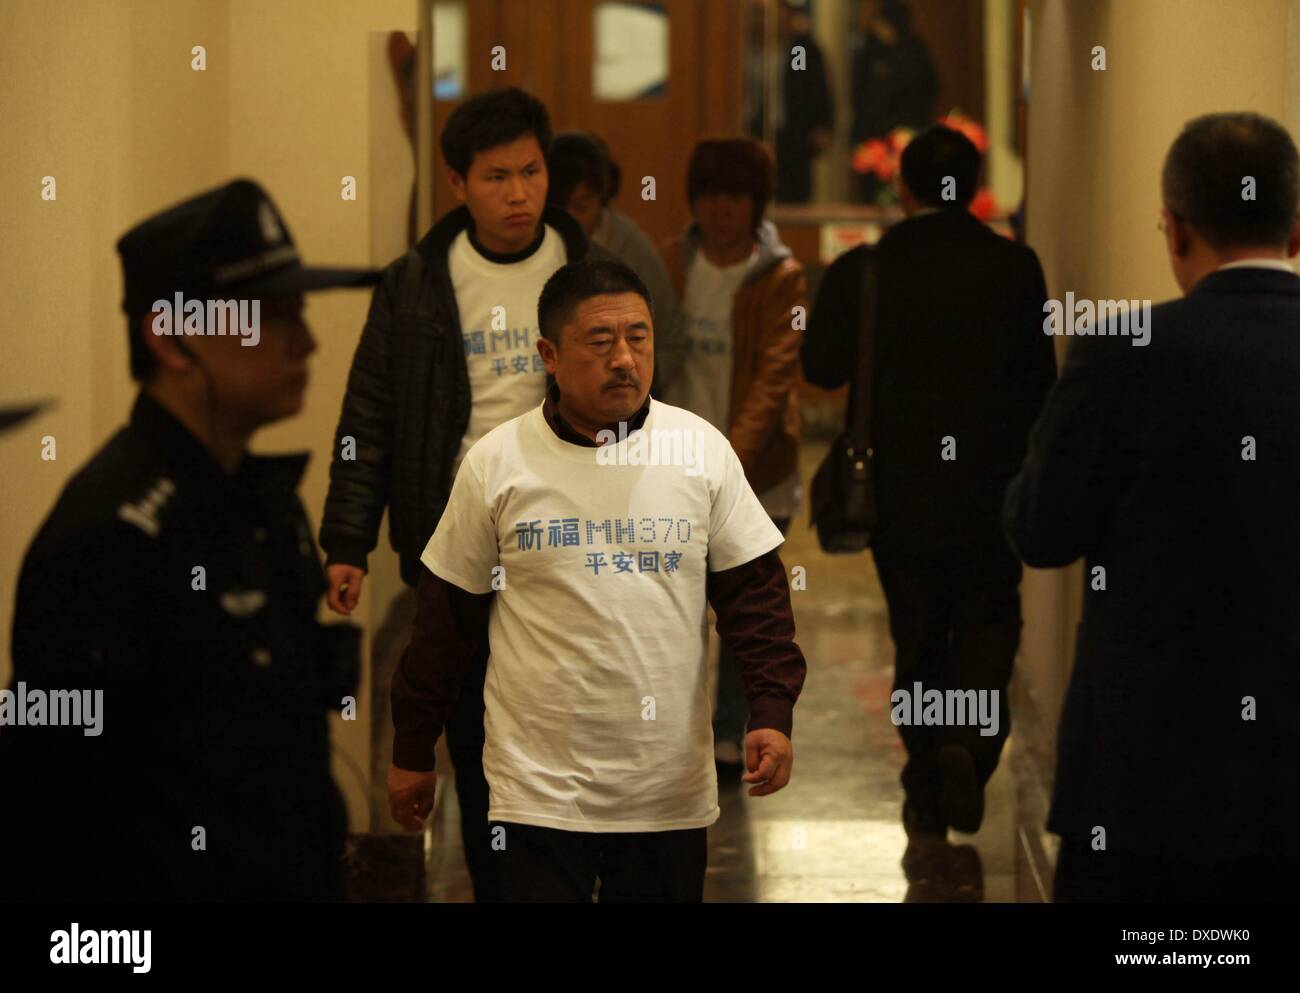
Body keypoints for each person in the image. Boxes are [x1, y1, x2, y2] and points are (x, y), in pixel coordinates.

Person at [1, 178, 374, 900]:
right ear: (170, 335)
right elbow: (51, 826)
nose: (307, 340)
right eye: (270, 315)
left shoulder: (260, 502)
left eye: (299, 309)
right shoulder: (108, 537)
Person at [387, 260, 806, 902]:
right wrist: (413, 749)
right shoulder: (496, 464)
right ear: (549, 355)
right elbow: (446, 620)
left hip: (665, 792)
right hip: (536, 795)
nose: (624, 360)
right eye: (600, 342)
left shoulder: (699, 451)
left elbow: (756, 597)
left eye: (638, 338)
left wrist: (771, 711)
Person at [319, 87, 616, 902]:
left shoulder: (585, 272)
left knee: (574, 718)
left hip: (572, 542)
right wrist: (347, 540)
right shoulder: (416, 281)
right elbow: (369, 413)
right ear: (457, 183)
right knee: (477, 729)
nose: (519, 193)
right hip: (456, 544)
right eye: (496, 177)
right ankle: (504, 880)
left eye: (531, 171)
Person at [1004, 112, 1300, 902]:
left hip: (1146, 782)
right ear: (1297, 231)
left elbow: (1039, 531)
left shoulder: (1123, 350)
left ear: (1173, 230)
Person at [803, 126, 1055, 873]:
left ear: (904, 188)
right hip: (992, 489)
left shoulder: (868, 269)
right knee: (986, 618)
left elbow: (818, 365)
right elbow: (1042, 383)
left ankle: (922, 790)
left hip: (896, 491)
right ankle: (968, 750)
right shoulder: (1015, 267)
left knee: (917, 633)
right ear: (973, 185)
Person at [659, 137, 806, 770]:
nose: (722, 210)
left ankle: (731, 730)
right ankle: (674, 726)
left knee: (746, 607)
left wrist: (728, 463)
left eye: (736, 197)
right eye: (711, 196)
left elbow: (775, 378)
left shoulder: (780, 275)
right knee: (675, 604)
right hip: (670, 468)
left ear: (756, 203)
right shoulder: (670, 264)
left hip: (755, 473)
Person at [547, 130, 684, 387]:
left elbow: (672, 340)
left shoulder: (632, 250)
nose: (570, 220)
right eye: (558, 208)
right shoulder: (542, 247)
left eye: (582, 206)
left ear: (603, 197)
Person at [746, 0, 834, 204]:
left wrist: (823, 124)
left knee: (793, 189)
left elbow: (811, 86)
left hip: (791, 131)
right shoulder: (746, 49)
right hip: (754, 125)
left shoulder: (798, 50)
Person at [850, 0, 937, 202]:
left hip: (907, 133)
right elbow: (859, 95)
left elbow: (926, 89)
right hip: (873, 136)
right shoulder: (869, 52)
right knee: (872, 192)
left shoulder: (914, 51)